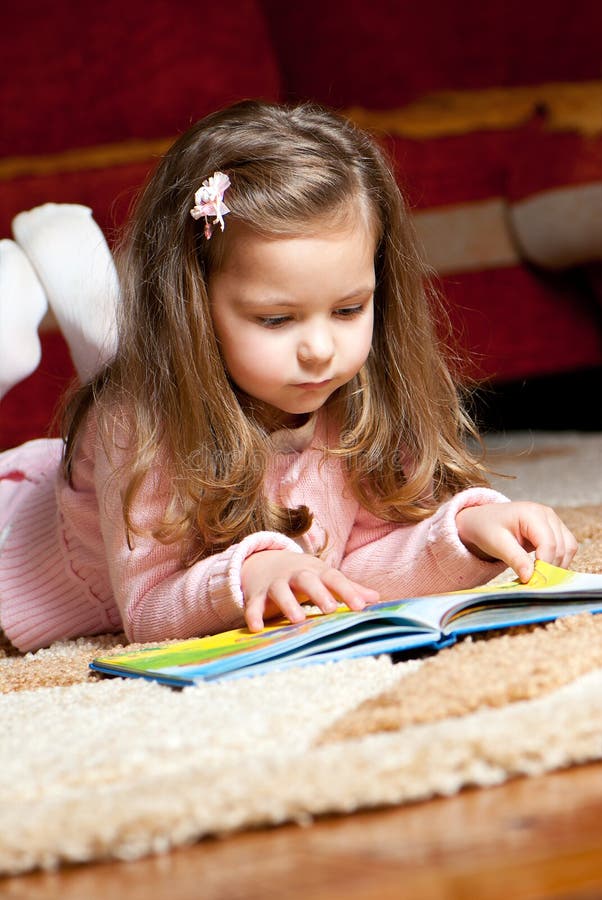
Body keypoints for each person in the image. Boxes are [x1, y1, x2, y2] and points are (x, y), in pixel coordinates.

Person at [0, 100, 577, 653]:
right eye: (276, 320)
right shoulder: (134, 424)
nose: (321, 350)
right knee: (113, 383)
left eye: (349, 309)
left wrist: (465, 529)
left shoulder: (350, 397)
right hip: (17, 546)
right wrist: (252, 572)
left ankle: (84, 303)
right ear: (192, 306)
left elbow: (353, 562)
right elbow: (149, 609)